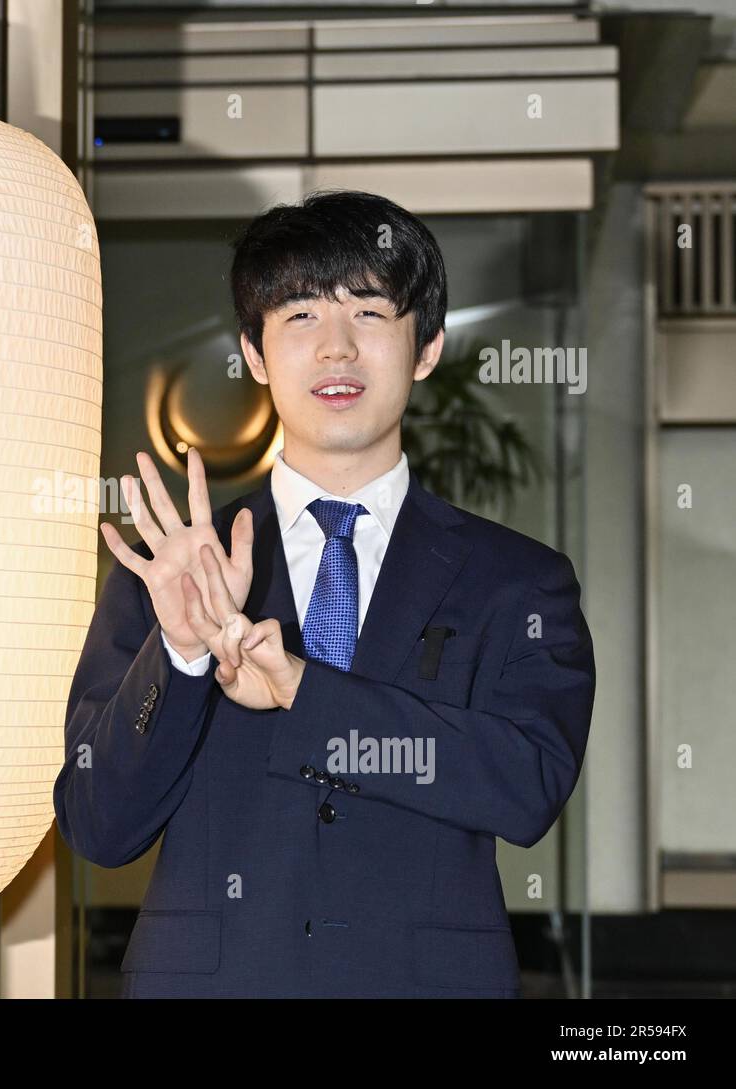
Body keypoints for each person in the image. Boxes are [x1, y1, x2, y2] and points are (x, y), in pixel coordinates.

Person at [52, 189, 596, 998]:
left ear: (427, 347)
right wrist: (181, 652)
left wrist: (306, 693)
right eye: (301, 315)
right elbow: (99, 825)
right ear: (257, 352)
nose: (337, 349)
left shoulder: (517, 579)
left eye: (371, 314)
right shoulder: (177, 571)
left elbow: (526, 786)